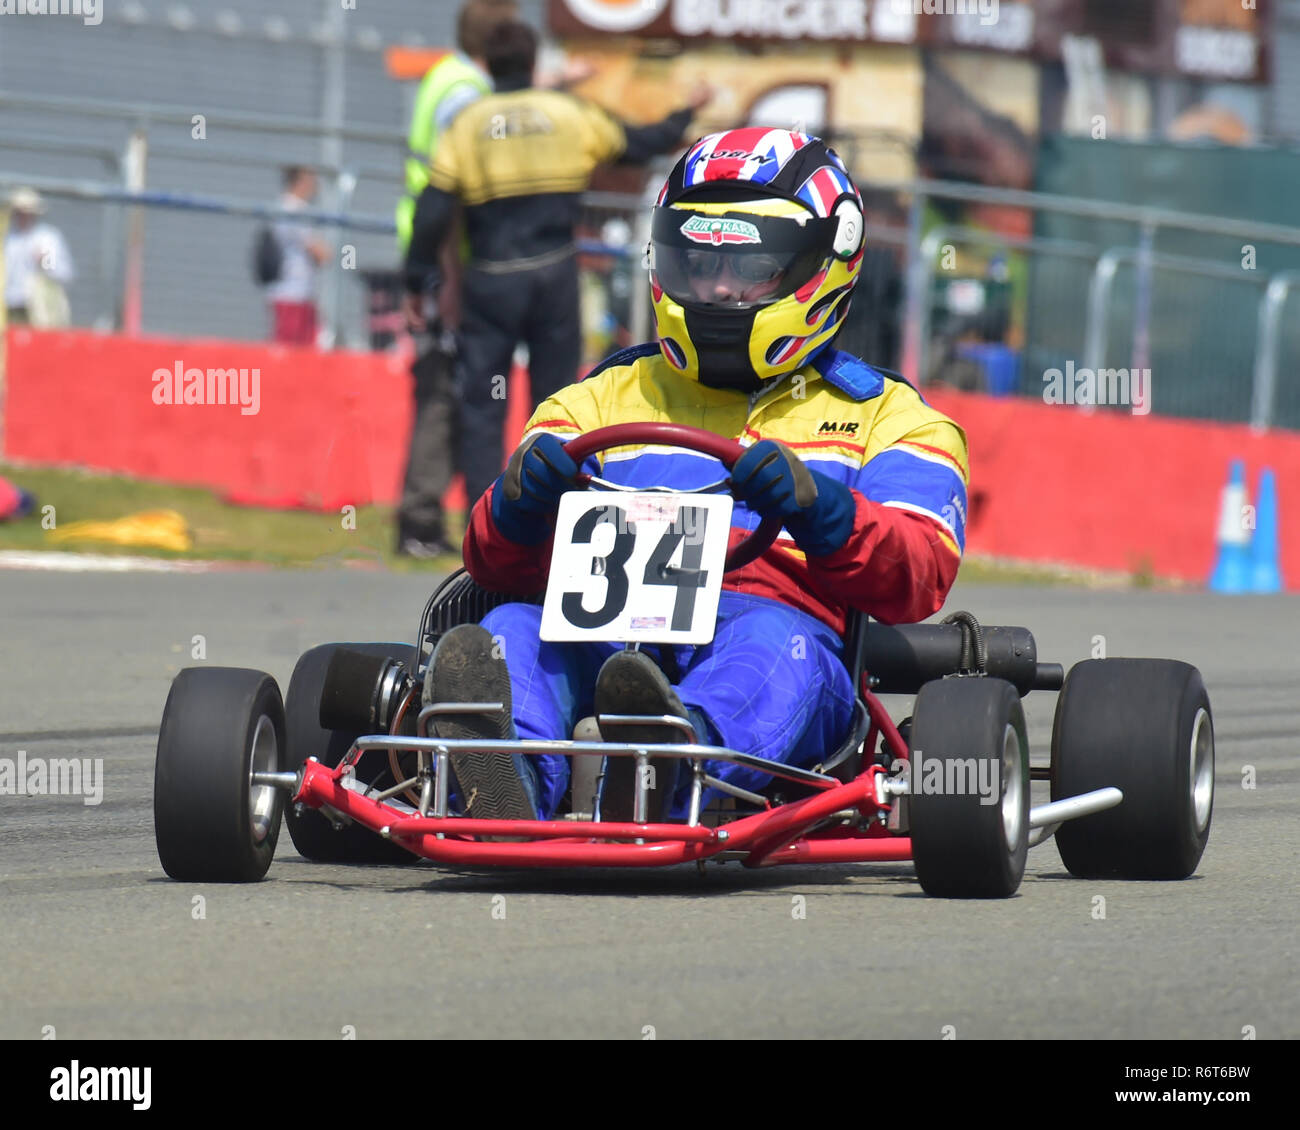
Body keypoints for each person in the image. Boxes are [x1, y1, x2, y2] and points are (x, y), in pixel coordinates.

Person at [420, 129, 971, 825]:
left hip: (777, 635)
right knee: (508, 630)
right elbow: (496, 562)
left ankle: (675, 768)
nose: (715, 287)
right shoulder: (595, 399)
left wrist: (820, 508)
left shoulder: (889, 418)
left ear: (821, 266)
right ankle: (507, 781)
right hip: (601, 636)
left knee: (778, 649)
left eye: (749, 268)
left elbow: (919, 570)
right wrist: (519, 505)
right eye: (697, 262)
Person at [404, 18, 711, 519]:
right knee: (559, 398)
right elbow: (638, 142)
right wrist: (684, 114)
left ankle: (488, 516)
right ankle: (551, 512)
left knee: (484, 403)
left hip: (491, 277)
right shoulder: (568, 113)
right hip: (553, 275)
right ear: (530, 64)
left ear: (488, 62)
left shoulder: (469, 123)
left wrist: (418, 280)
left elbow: (433, 208)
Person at [394, 0, 519, 558]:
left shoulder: (447, 76)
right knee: (444, 393)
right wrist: (446, 277)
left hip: (435, 252)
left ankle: (424, 520)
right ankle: (419, 519)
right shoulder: (467, 93)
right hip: (449, 259)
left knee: (445, 387)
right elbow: (451, 191)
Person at [265, 166, 329, 347]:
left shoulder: (284, 206)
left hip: (297, 290)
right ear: (298, 182)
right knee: (291, 345)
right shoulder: (293, 209)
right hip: (292, 290)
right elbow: (319, 252)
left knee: (304, 341)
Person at [4, 188, 74, 327]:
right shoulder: (8, 238)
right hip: (8, 304)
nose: (22, 216)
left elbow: (62, 272)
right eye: (19, 212)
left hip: (36, 307)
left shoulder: (46, 238)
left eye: (26, 212)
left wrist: (44, 261)